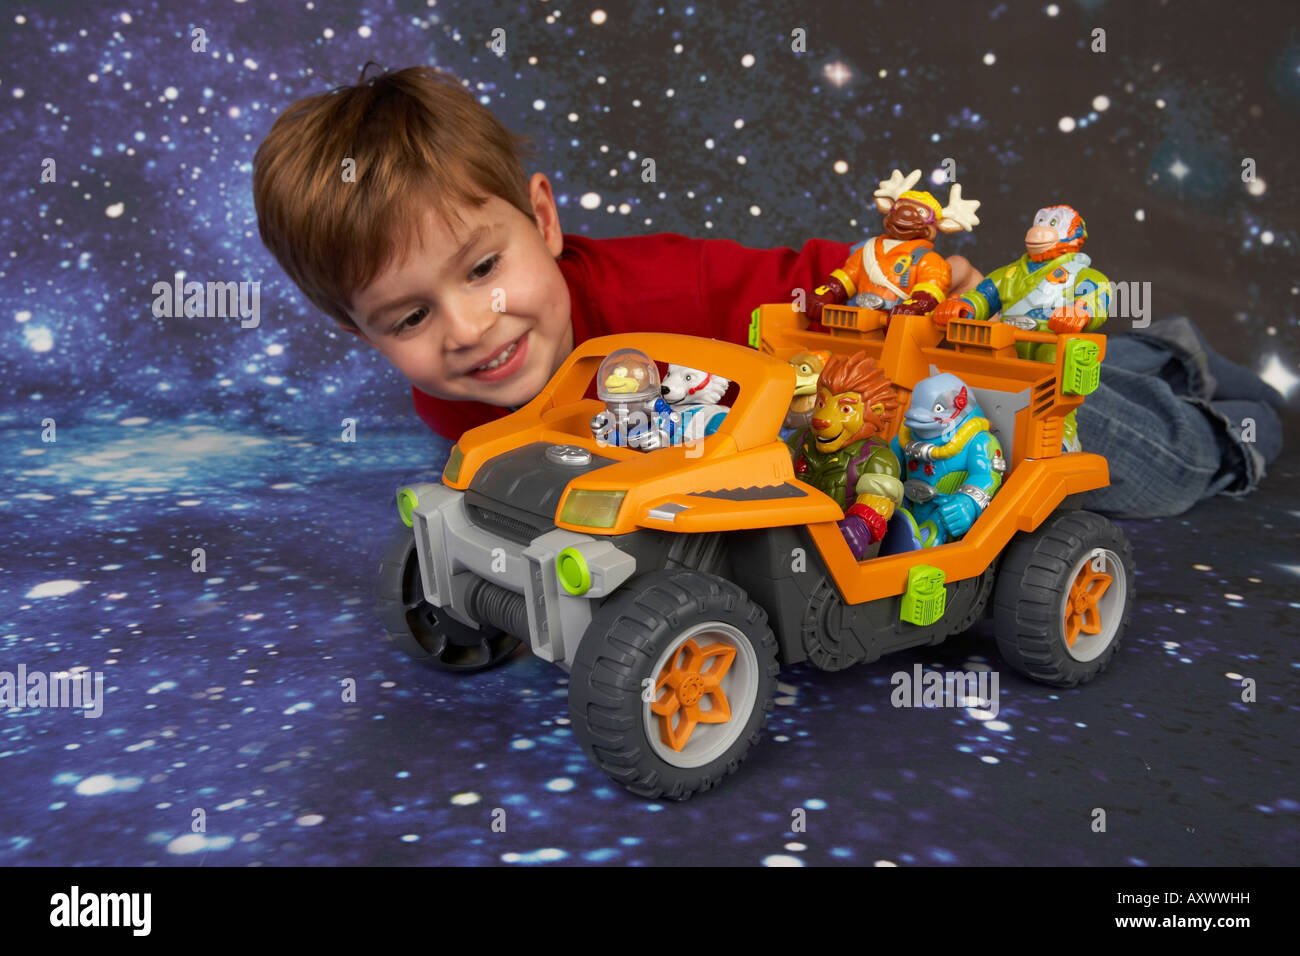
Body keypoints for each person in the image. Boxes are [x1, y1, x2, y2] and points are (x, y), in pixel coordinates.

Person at [252, 64, 1281, 520]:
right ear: (356, 329)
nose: (472, 327)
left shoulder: (660, 291)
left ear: (544, 221)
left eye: (483, 268)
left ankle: (1214, 417)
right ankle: (1153, 355)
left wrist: (889, 282)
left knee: (1072, 448)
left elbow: (795, 281)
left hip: (875, 359)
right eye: (410, 316)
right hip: (825, 446)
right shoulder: (458, 397)